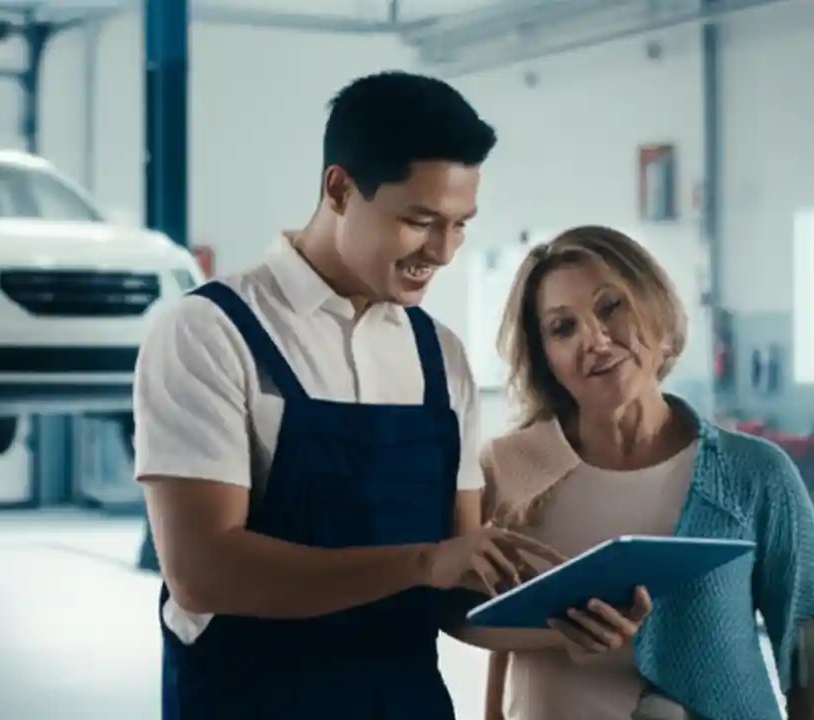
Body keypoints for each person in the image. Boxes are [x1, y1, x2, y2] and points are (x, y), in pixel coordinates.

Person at [132, 70, 565, 719]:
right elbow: (202, 570)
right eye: (419, 221)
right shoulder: (210, 332)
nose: (443, 251)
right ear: (339, 188)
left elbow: (456, 589)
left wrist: (561, 619)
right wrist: (423, 563)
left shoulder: (440, 356)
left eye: (459, 225)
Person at [473, 225, 814, 720]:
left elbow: (806, 640)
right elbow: (476, 619)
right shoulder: (509, 468)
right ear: (545, 359)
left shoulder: (755, 474)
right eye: (563, 328)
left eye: (611, 306)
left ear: (658, 314)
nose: (594, 339)